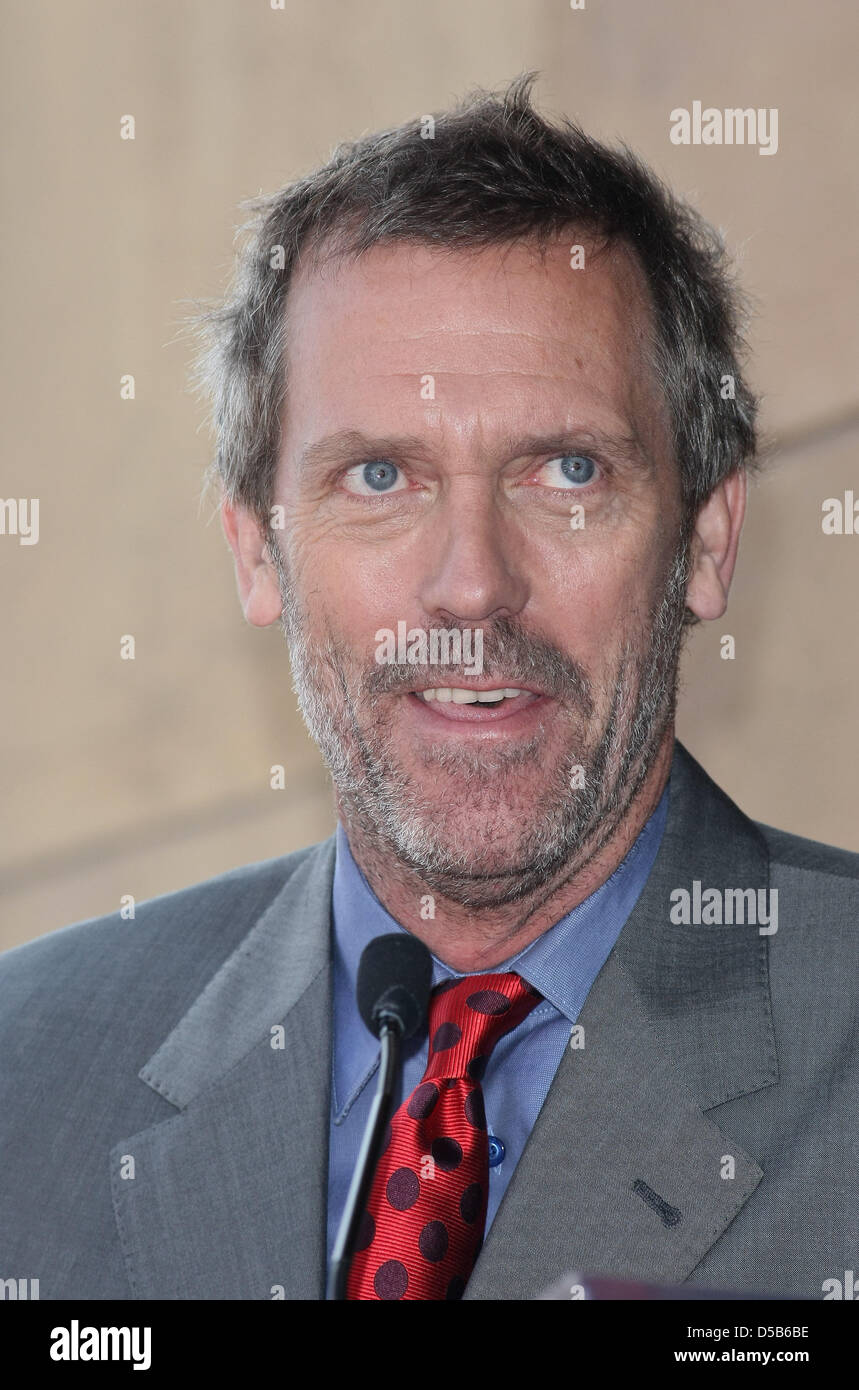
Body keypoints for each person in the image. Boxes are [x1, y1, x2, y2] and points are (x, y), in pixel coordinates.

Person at [1, 76, 855, 1302]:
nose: (471, 587)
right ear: (257, 549)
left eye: (565, 470)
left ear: (706, 543)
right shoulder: (23, 1075)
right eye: (380, 476)